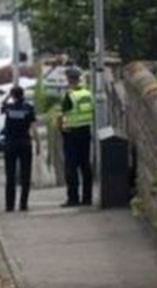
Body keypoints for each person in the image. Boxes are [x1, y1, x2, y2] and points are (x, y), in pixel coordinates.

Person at [58, 67, 94, 207]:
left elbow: (61, 114)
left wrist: (61, 129)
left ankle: (73, 198)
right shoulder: (88, 94)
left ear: (69, 79)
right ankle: (87, 198)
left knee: (71, 167)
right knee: (85, 165)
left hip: (71, 133)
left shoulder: (69, 96)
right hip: (86, 131)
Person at [1, 85, 38, 211]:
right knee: (25, 175)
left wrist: (8, 96)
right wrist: (37, 143)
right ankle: (23, 204)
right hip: (25, 143)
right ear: (23, 95)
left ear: (13, 95)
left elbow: (2, 105)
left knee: (10, 176)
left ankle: (9, 205)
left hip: (10, 144)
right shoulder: (28, 108)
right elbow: (33, 127)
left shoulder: (9, 108)